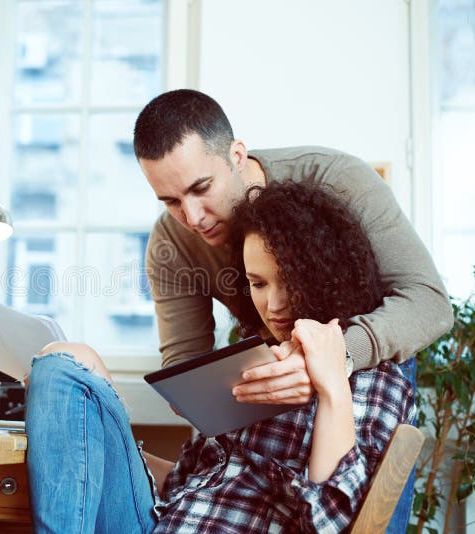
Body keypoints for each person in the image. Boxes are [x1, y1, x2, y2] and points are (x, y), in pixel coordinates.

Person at [134, 89, 450, 530]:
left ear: (237, 155)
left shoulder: (339, 180)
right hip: (272, 357)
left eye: (201, 188)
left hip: (366, 359)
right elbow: (186, 366)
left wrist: (331, 364)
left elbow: (429, 303)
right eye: (169, 201)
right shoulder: (171, 242)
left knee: (361, 517)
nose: (192, 217)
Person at [26, 180, 415, 533]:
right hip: (163, 524)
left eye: (290, 281)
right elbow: (182, 482)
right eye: (258, 283)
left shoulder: (375, 379)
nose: (273, 304)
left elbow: (330, 522)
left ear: (324, 274)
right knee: (64, 364)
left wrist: (332, 386)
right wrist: (97, 437)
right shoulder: (247, 359)